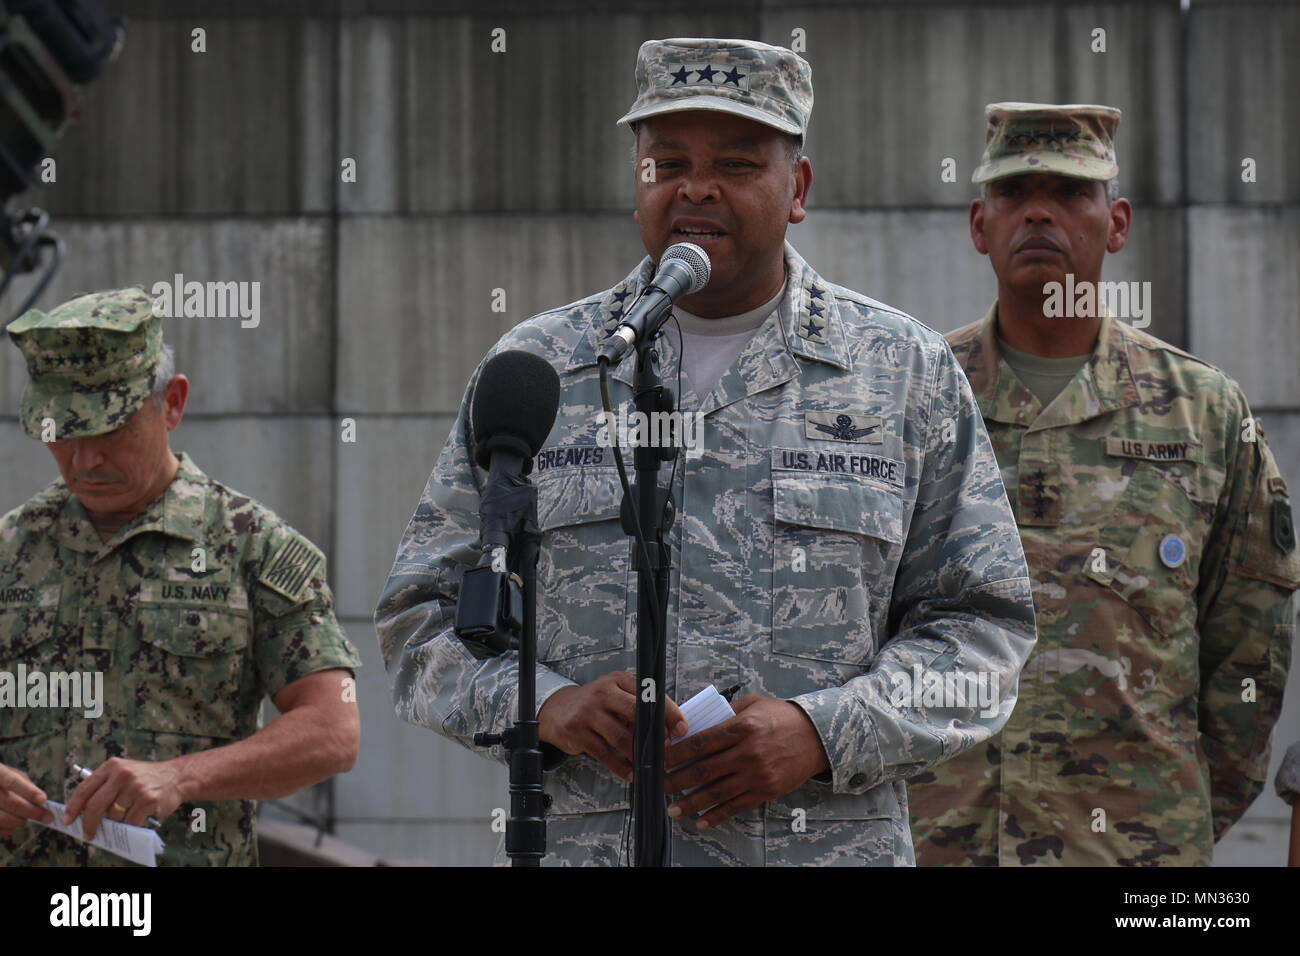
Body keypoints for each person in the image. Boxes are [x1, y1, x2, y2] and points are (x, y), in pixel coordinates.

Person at [376, 38, 1036, 866]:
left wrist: (820, 731)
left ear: (796, 189)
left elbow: (982, 628)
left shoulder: (901, 371)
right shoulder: (542, 368)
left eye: (736, 162)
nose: (695, 187)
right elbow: (422, 617)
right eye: (667, 161)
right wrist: (546, 706)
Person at [908, 103, 1300, 866]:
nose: (1040, 213)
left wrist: (1167, 818)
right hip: (939, 842)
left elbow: (1250, 653)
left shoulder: (1204, 413)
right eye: (1015, 194)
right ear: (978, 224)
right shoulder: (915, 397)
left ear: (1116, 224)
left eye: (1070, 194)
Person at [0, 286, 362, 865]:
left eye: (110, 429)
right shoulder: (9, 550)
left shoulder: (253, 547)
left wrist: (181, 778)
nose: (85, 459)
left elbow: (332, 731)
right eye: (62, 431)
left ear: (171, 403)